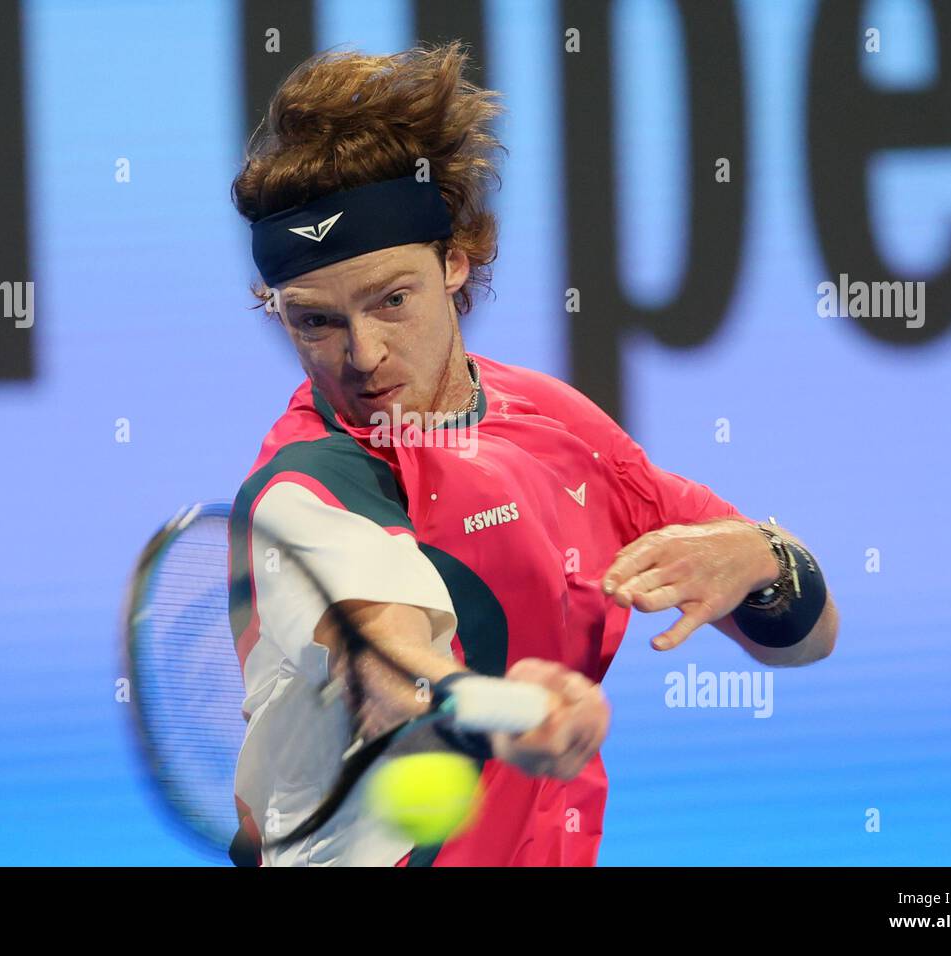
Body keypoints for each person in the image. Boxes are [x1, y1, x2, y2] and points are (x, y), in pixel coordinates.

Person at [227, 41, 838, 866]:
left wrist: (763, 557)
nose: (362, 353)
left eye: (391, 300)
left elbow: (801, 640)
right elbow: (384, 668)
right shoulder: (304, 489)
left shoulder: (554, 423)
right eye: (315, 321)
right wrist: (500, 709)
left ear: (454, 262)